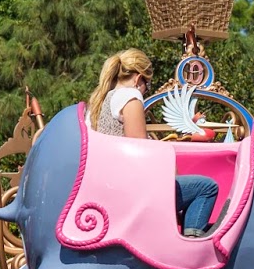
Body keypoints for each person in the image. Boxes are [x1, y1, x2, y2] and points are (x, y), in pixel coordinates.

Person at [86, 50, 218, 238]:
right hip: (132, 188)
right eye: (147, 85)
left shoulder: (99, 102)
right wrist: (167, 159)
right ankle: (191, 244)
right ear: (139, 79)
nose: (145, 90)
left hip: (107, 184)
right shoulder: (130, 96)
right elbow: (140, 151)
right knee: (207, 187)